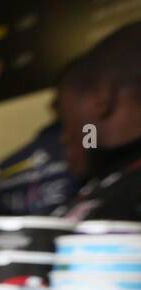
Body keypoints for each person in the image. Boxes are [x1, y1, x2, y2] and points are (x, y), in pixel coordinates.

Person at [55, 22, 141, 222]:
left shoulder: (126, 196)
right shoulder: (104, 179)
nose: (65, 137)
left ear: (101, 99)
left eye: (64, 118)